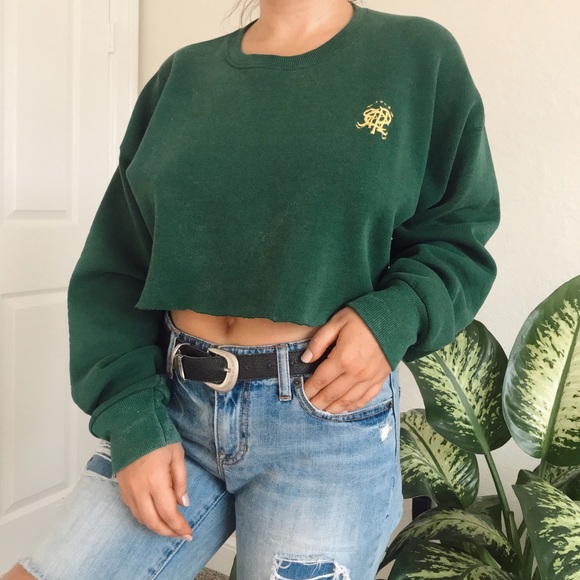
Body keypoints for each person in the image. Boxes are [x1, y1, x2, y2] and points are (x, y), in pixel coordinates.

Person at [4, 0, 500, 578]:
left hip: (325, 415)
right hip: (174, 402)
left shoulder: (417, 56)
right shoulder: (181, 76)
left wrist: (395, 315)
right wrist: (131, 416)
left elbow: (457, 234)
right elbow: (118, 265)